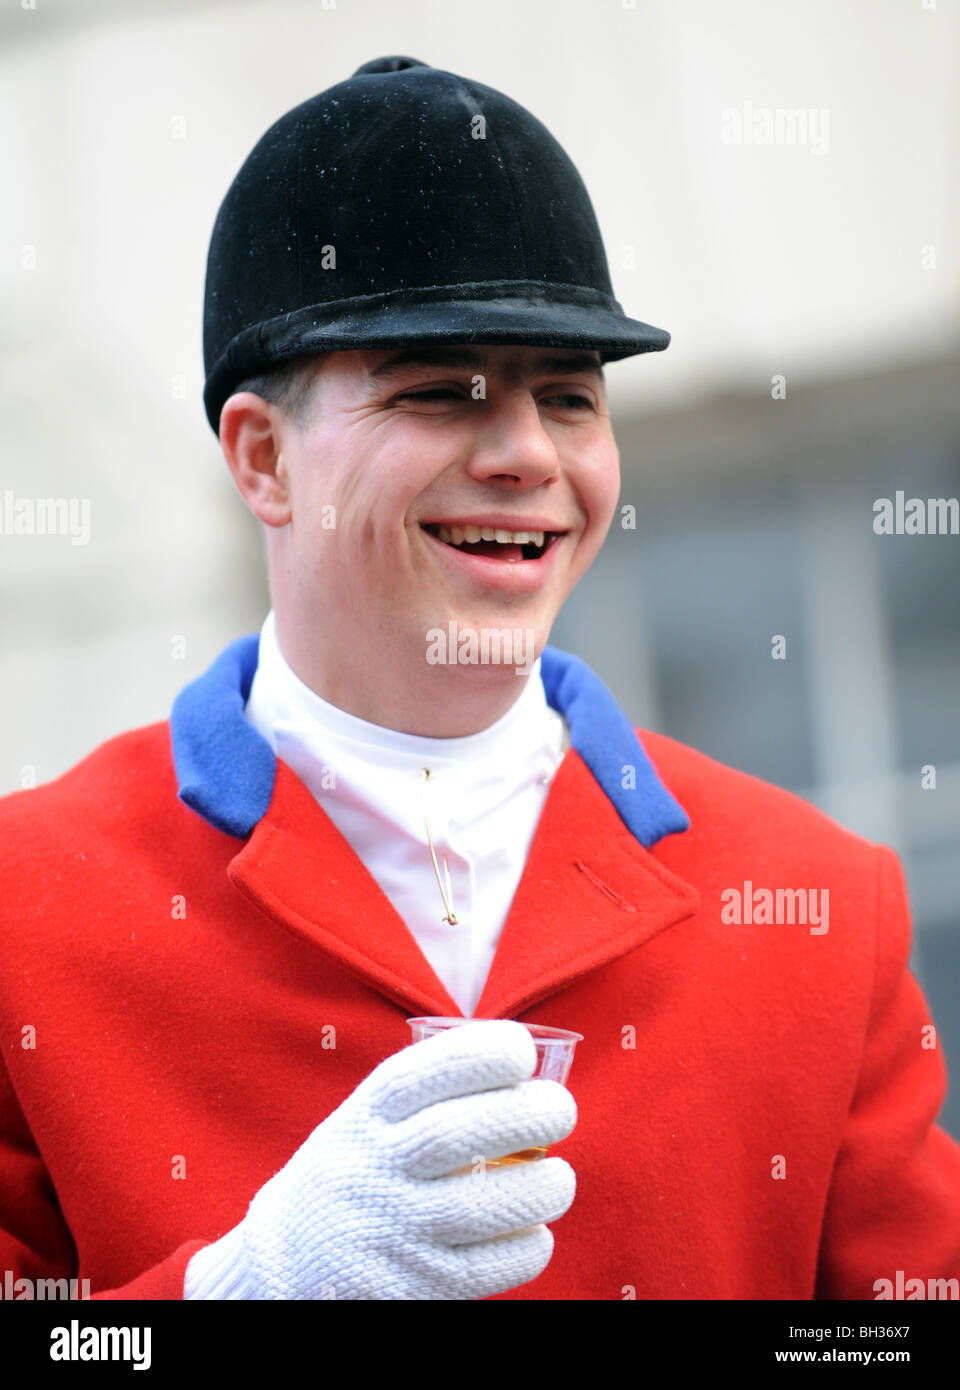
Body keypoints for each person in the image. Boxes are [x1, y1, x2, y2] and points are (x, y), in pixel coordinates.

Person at [1, 56, 958, 1303]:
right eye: (442, 393)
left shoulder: (821, 900)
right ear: (263, 458)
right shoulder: (25, 911)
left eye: (569, 397)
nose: (524, 454)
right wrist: (242, 1289)